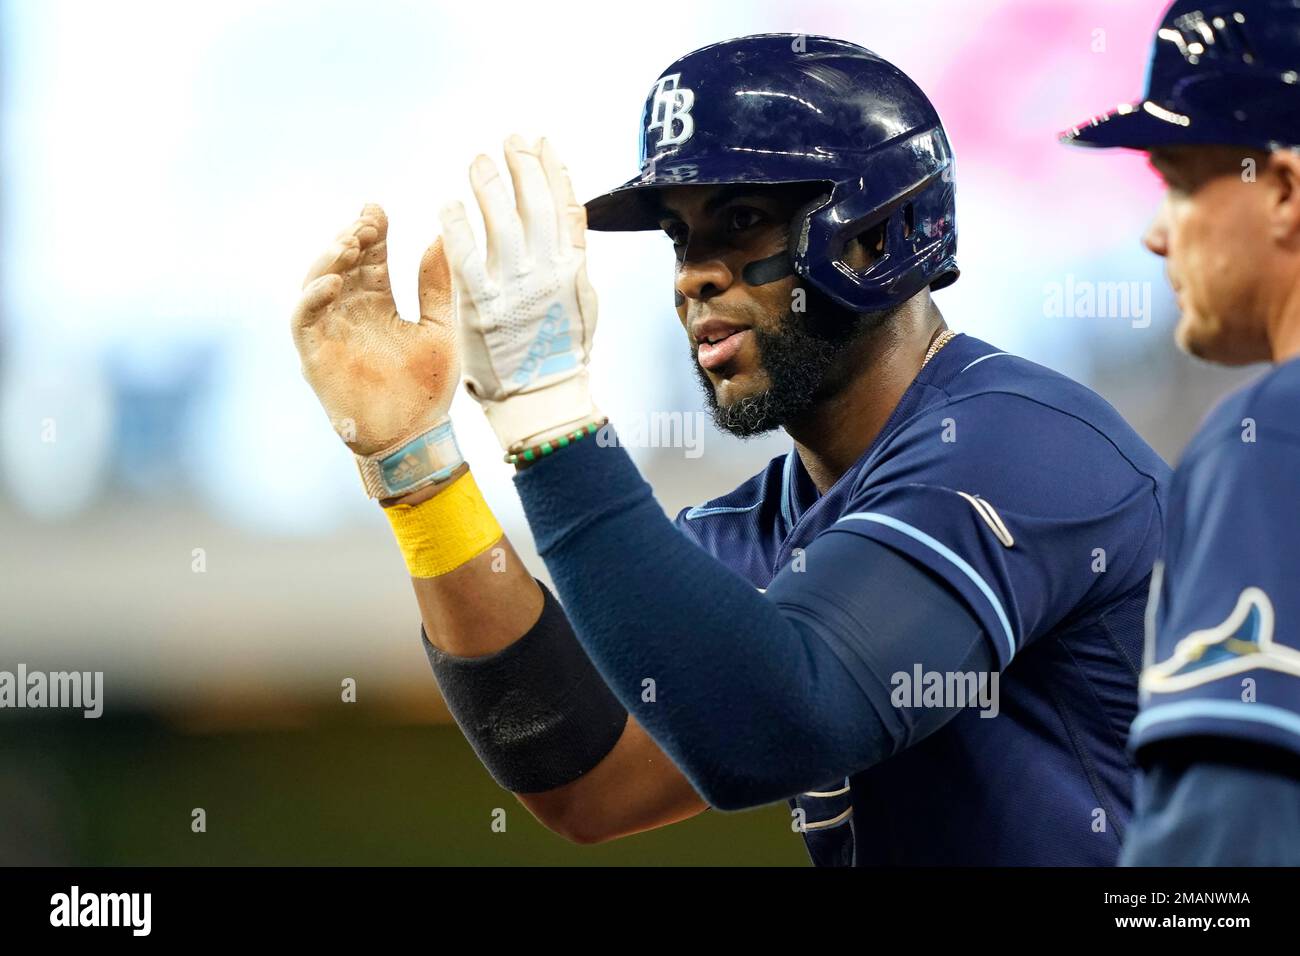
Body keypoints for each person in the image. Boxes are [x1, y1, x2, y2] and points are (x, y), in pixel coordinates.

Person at [292, 34, 1170, 865]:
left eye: (740, 219)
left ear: (877, 234)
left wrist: (547, 416)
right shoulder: (760, 523)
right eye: (680, 236)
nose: (692, 274)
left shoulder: (1020, 445)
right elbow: (586, 779)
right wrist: (420, 471)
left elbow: (781, 728)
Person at [1063, 0, 1300, 865]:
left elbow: (1226, 852)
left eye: (1176, 176)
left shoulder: (1270, 432)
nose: (1156, 233)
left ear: (1281, 190)